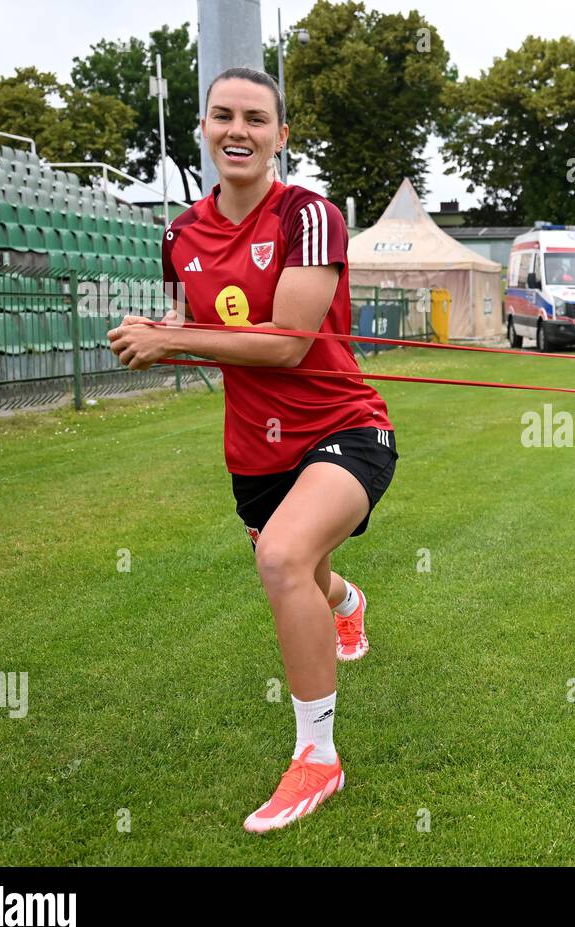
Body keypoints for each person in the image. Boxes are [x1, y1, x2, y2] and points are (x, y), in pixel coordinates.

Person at [107, 67, 397, 830]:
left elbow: (289, 345)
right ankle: (348, 602)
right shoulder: (179, 233)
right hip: (256, 453)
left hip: (347, 428)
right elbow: (195, 321)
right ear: (203, 128)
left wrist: (168, 340)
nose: (238, 130)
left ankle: (317, 759)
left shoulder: (309, 215)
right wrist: (149, 338)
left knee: (279, 559)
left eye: (256, 119)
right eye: (223, 116)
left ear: (280, 137)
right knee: (306, 570)